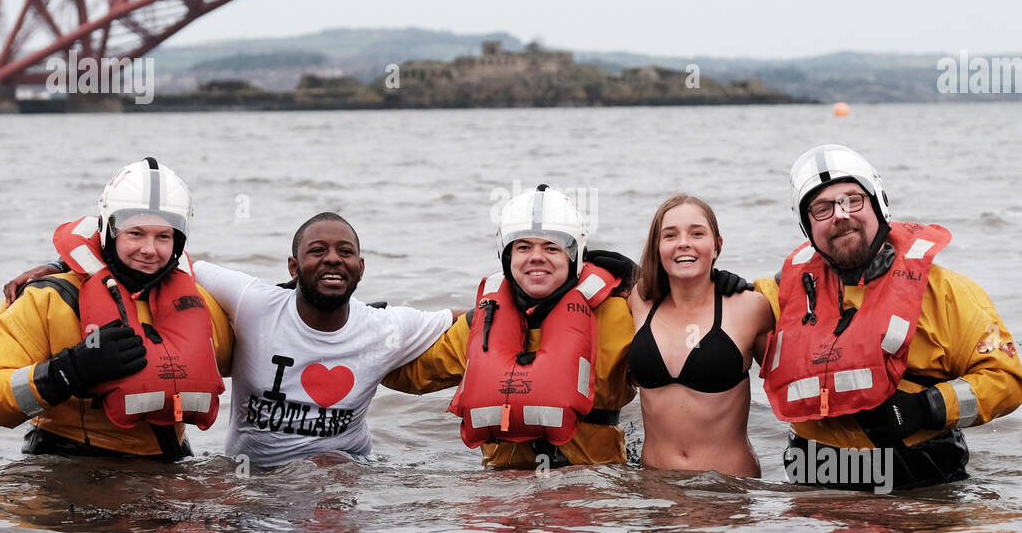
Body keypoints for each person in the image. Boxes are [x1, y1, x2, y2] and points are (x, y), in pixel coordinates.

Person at [757, 144, 1022, 489]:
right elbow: (700, 318)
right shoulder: (777, 298)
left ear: (878, 203)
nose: (841, 214)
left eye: (853, 200)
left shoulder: (947, 293)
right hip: (815, 489)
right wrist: (711, 285)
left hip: (923, 486)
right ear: (807, 227)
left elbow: (1007, 381)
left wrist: (926, 408)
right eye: (822, 208)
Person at [0, 157, 234, 460]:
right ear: (110, 231)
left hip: (168, 466)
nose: (149, 249)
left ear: (178, 241)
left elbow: (256, 354)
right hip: (69, 467)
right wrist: (70, 370)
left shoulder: (200, 301)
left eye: (163, 236)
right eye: (135, 233)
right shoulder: (45, 298)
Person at [384, 185, 636, 468]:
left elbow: (670, 369)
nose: (536, 257)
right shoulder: (483, 322)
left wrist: (648, 285)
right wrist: (368, 332)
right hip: (506, 487)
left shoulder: (618, 314)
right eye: (523, 247)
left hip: (592, 484)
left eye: (552, 247)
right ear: (507, 257)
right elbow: (413, 375)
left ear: (574, 256)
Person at [195, 212, 455, 467]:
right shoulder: (253, 303)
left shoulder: (383, 327)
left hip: (349, 470)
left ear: (360, 268)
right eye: (318, 251)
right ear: (293, 267)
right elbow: (188, 267)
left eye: (345, 252)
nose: (333, 259)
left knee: (327, 468)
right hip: (255, 474)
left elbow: (464, 317)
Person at [626, 195, 776, 477]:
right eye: (670, 235)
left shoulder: (750, 307)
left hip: (727, 488)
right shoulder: (640, 301)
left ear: (717, 246)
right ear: (657, 248)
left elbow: (794, 380)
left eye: (697, 233)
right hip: (653, 486)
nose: (684, 242)